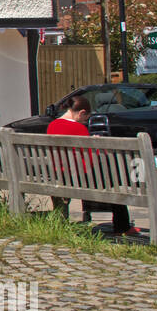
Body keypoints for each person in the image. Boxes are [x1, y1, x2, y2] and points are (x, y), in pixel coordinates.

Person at [46, 95, 141, 236]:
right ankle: (123, 227)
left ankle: (64, 220)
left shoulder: (52, 126)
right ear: (81, 112)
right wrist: (95, 144)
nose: (85, 121)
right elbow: (92, 159)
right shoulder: (78, 128)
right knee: (116, 183)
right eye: (85, 118)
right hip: (81, 178)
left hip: (60, 176)